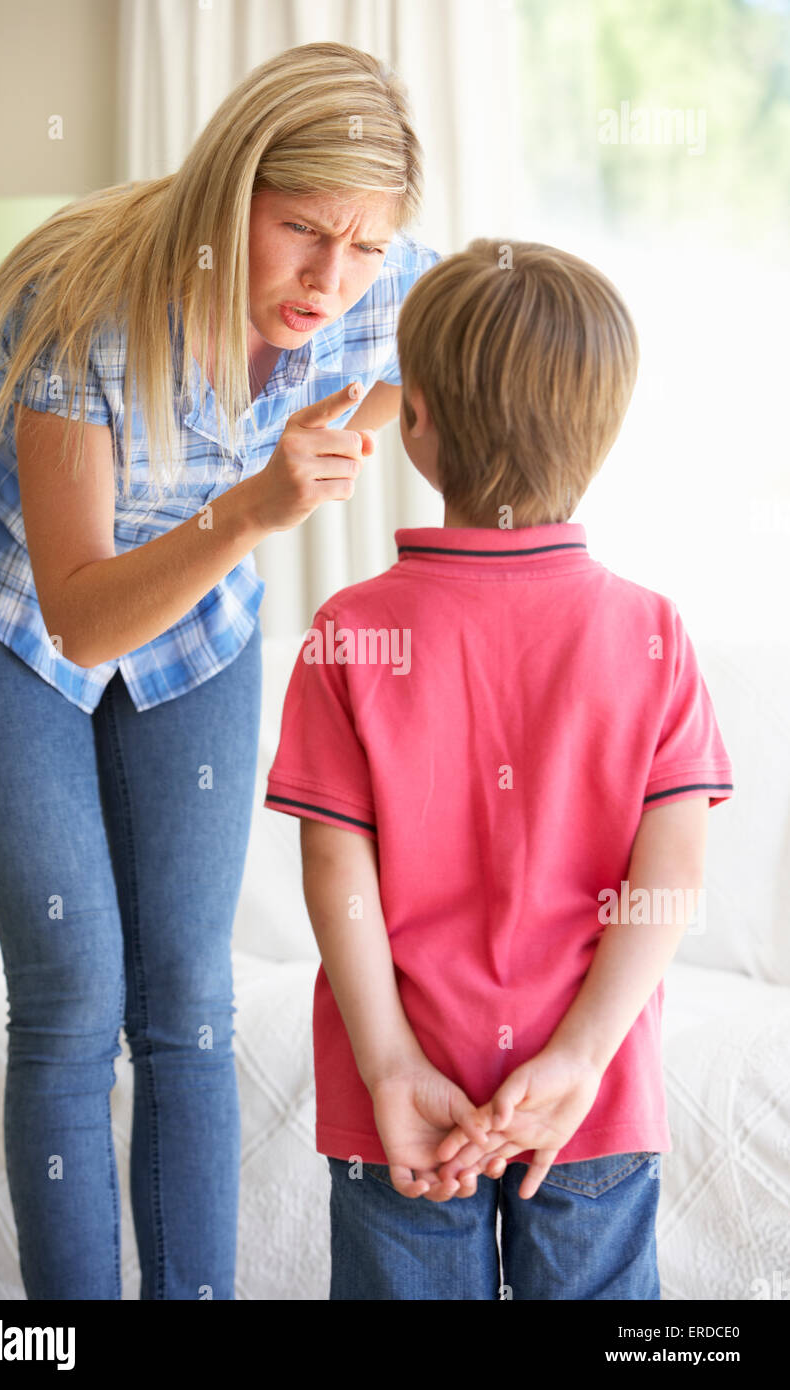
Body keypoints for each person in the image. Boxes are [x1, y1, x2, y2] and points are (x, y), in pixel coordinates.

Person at [0, 41, 441, 1299]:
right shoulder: (84, 304)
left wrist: (343, 430)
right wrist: (261, 504)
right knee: (73, 987)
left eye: (364, 244)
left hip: (199, 616)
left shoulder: (386, 284)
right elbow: (82, 616)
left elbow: (426, 355)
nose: (331, 278)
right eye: (302, 229)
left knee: (189, 1001)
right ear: (231, 188)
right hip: (3, 602)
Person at [263, 238, 735, 1300]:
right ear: (602, 431)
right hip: (589, 1102)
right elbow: (669, 879)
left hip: (400, 1102)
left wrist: (390, 1064)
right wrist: (579, 1058)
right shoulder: (651, 633)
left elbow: (335, 874)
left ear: (415, 419)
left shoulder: (349, 632)